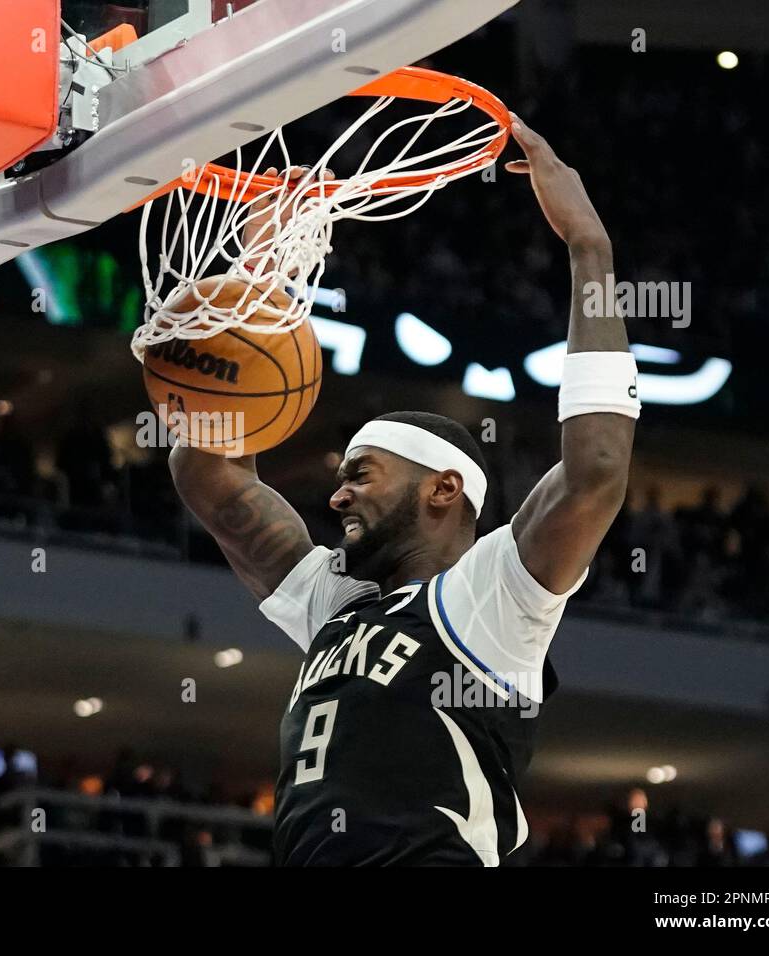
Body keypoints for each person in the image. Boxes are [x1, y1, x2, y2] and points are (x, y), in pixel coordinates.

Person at [167, 119, 639, 865]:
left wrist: (589, 248)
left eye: (362, 476)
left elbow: (597, 471)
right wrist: (249, 293)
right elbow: (214, 481)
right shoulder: (340, 599)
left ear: (443, 490)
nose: (338, 498)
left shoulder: (491, 598)